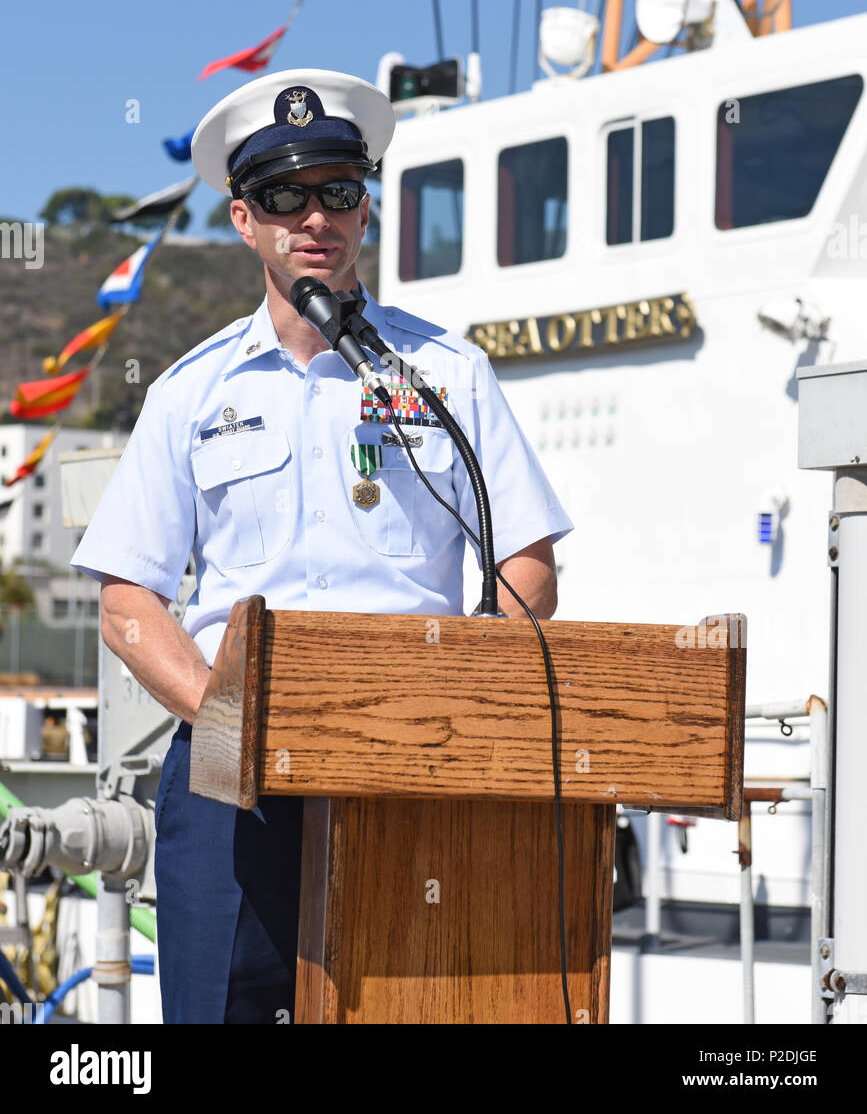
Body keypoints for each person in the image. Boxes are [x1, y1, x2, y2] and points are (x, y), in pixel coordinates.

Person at [70, 69, 573, 1024]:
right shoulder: (188, 391)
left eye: (338, 191)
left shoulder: (450, 375)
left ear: (366, 211)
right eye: (283, 197)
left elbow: (527, 569)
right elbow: (129, 602)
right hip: (231, 779)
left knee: (411, 1010)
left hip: (413, 762)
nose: (315, 217)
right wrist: (233, 724)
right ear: (243, 220)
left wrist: (447, 701)